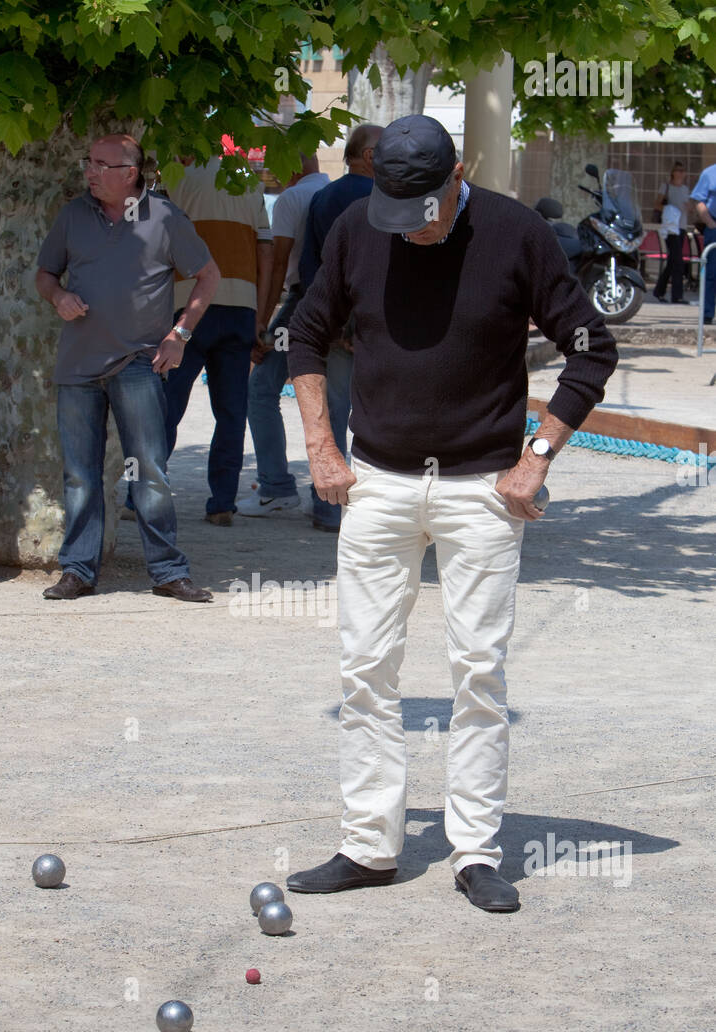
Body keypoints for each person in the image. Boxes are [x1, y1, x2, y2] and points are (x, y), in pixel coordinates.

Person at [284, 115, 619, 912]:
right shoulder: (360, 226)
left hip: (481, 489)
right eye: (400, 211)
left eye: (428, 209)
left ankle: (475, 851)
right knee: (365, 669)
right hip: (377, 482)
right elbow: (304, 334)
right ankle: (369, 846)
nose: (418, 229)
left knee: (478, 673)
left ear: (459, 171)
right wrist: (322, 450)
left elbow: (591, 347)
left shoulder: (517, 233)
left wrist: (537, 457)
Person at [35, 134, 220, 602]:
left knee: (150, 473)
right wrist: (58, 296)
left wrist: (181, 335)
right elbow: (44, 273)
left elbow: (208, 275)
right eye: (89, 162)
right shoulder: (75, 214)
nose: (90, 172)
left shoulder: (164, 217)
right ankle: (78, 570)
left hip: (138, 362)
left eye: (102, 164)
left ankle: (167, 572)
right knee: (80, 475)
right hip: (77, 367)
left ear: (130, 172)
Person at [161, 153, 272, 525]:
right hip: (241, 308)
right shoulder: (248, 178)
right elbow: (266, 250)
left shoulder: (176, 173)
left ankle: (141, 494)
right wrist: (262, 314)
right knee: (230, 412)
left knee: (167, 407)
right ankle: (223, 502)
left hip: (188, 305)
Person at [297, 123, 382, 531]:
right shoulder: (383, 200)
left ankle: (327, 506)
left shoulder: (323, 197)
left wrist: (327, 323)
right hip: (372, 329)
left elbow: (312, 267)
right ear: (369, 156)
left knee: (332, 412)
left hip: (330, 326)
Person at [236, 153, 329, 517]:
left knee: (260, 388)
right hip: (339, 306)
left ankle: (275, 486)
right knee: (334, 395)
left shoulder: (292, 199)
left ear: (294, 168)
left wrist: (262, 324)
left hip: (302, 301)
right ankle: (327, 495)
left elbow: (276, 264)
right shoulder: (333, 190)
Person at [653, 161, 690, 305]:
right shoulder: (666, 187)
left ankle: (659, 291)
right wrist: (670, 210)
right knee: (678, 262)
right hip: (670, 229)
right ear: (673, 173)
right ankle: (677, 296)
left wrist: (690, 207)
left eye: (683, 170)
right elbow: (657, 204)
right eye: (678, 170)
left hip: (682, 227)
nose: (681, 173)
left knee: (672, 262)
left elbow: (688, 207)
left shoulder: (686, 189)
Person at [690, 161, 716, 326]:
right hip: (714, 227)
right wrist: (710, 223)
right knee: (711, 272)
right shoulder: (709, 173)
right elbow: (699, 201)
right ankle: (707, 313)